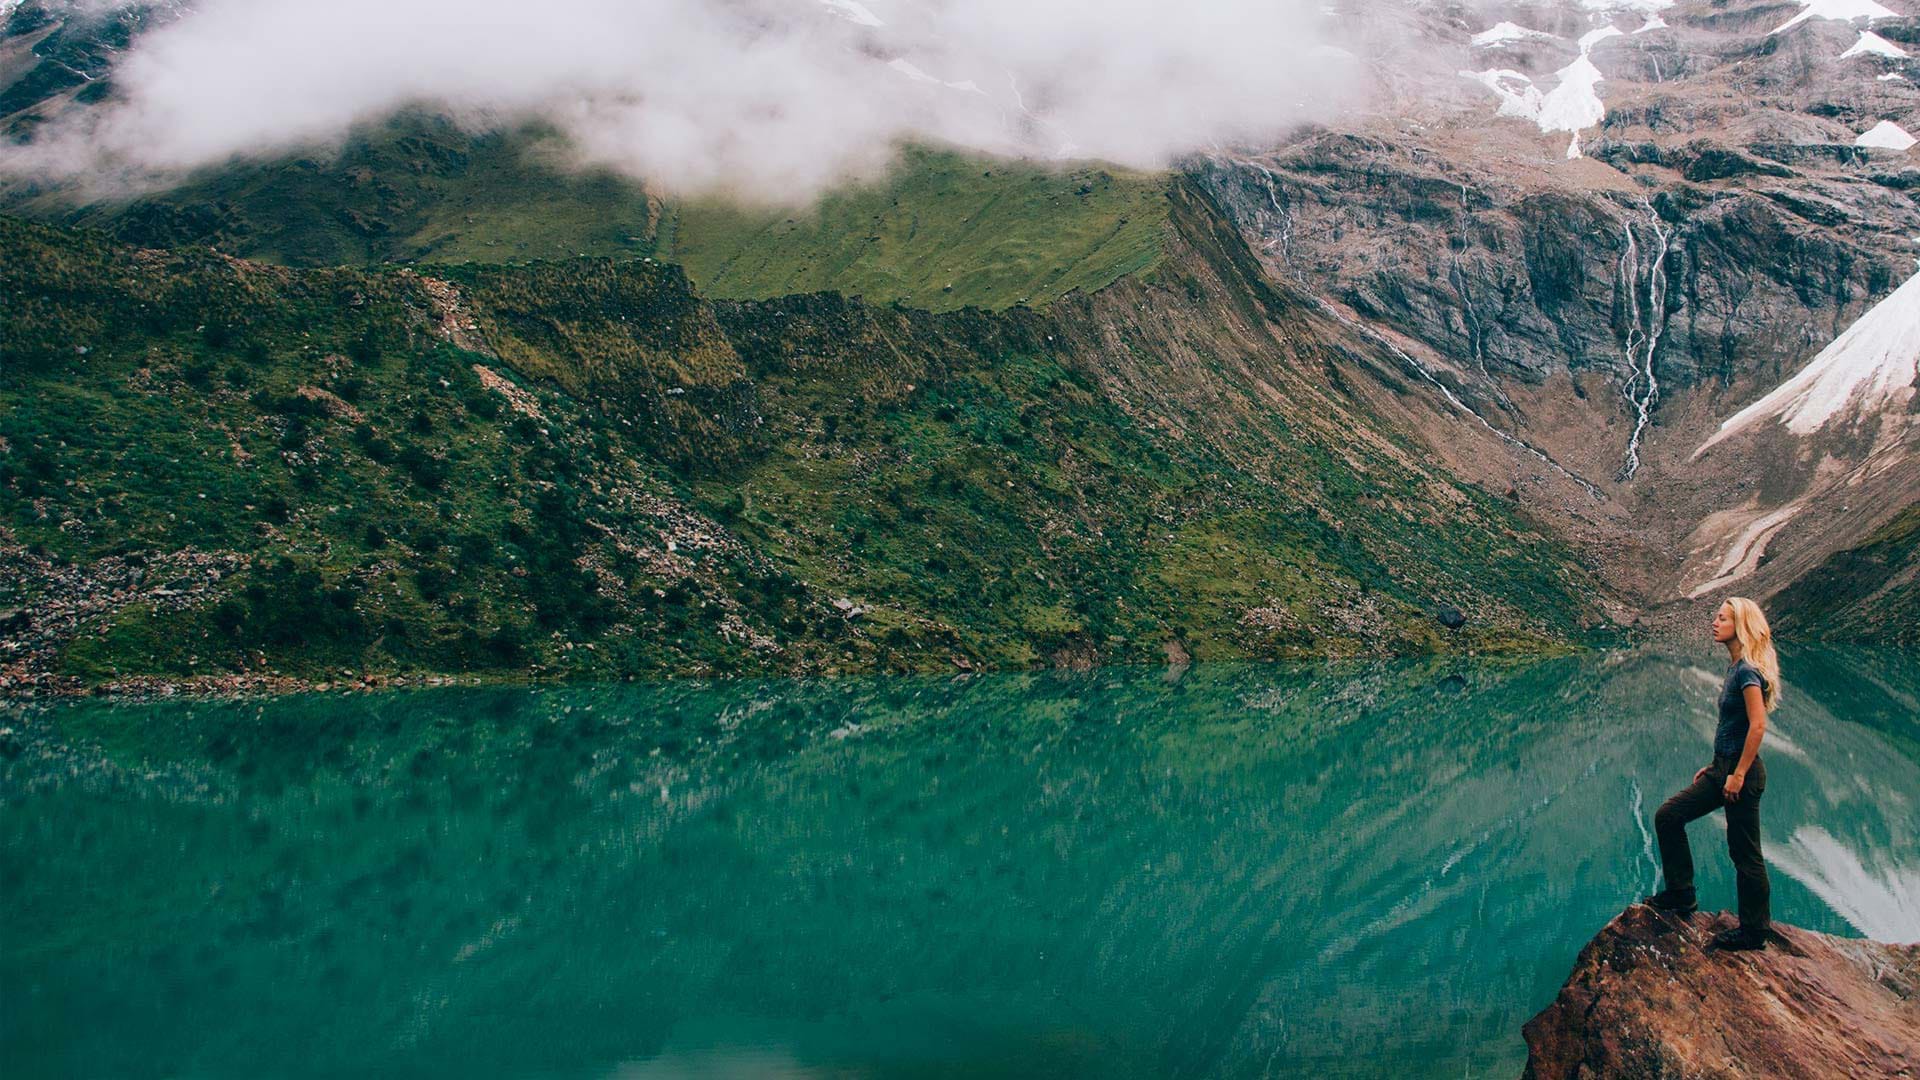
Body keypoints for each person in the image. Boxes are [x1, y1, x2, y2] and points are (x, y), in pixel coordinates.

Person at [1641, 597, 1781, 951]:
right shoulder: (1736, 668)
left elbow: (1758, 725)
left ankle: (1754, 932)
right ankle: (1681, 893)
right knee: (1668, 816)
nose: (1714, 623)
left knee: (1745, 853)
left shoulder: (1747, 670)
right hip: (1724, 767)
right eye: (1716, 617)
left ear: (1741, 625)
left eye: (1722, 618)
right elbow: (1733, 727)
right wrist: (1717, 765)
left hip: (1740, 773)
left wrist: (1737, 773)